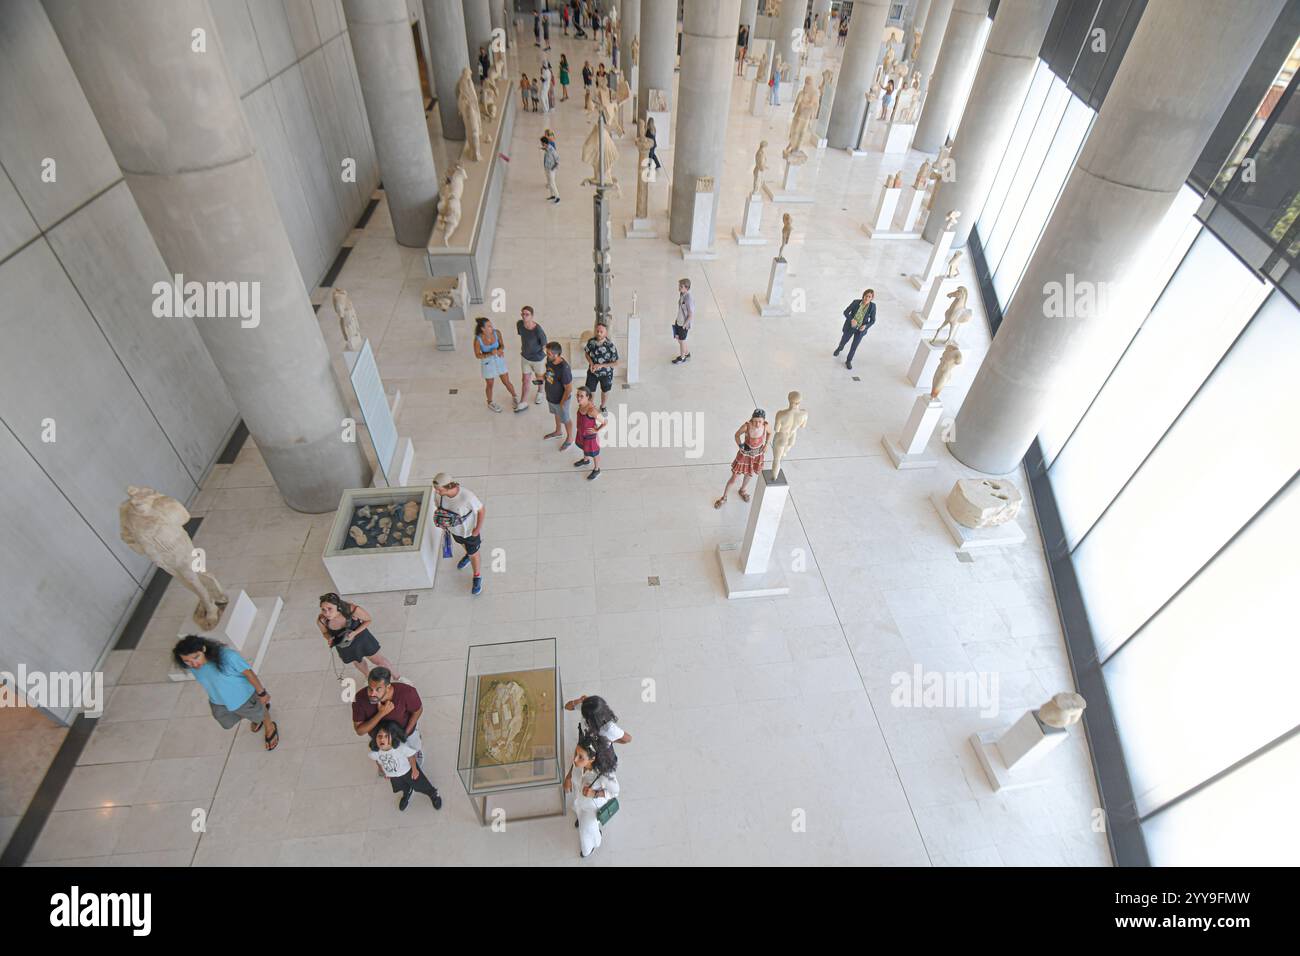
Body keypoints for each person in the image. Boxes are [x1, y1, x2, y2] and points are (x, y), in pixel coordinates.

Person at [173, 634, 278, 751]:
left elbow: (249, 673)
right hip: (219, 702)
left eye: (196, 657)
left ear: (203, 649)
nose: (194, 664)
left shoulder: (229, 657)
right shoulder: (192, 666)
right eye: (187, 661)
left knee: (260, 712)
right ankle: (255, 716)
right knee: (228, 721)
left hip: (244, 697)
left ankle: (269, 726)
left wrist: (262, 693)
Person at [317, 593, 401, 682]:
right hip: (345, 646)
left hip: (362, 639)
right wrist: (329, 638)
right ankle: (369, 678)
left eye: (330, 609)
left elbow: (368, 620)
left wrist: (355, 633)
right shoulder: (322, 620)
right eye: (323, 609)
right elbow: (325, 633)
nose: (326, 613)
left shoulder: (351, 609)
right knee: (358, 662)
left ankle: (398, 678)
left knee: (378, 660)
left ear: (337, 606)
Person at [352, 667, 425, 762]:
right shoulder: (359, 699)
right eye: (370, 688)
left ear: (388, 687)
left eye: (378, 689)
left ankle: (416, 752)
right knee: (387, 757)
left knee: (413, 746)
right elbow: (360, 731)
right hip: (380, 738)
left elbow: (418, 711)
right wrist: (381, 713)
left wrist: (405, 735)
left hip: (406, 731)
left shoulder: (407, 692)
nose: (372, 694)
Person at [567, 728, 619, 858]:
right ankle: (581, 819)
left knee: (585, 832)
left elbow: (615, 791)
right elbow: (574, 767)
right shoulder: (579, 764)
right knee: (580, 816)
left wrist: (595, 793)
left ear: (592, 758)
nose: (574, 760)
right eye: (576, 754)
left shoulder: (604, 773)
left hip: (591, 807)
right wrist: (568, 778)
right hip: (579, 801)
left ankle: (590, 847)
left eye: (580, 757)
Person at [369, 722, 442, 812]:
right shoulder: (376, 753)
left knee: (421, 784)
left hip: (408, 771)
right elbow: (378, 761)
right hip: (394, 776)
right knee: (401, 785)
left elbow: (411, 757)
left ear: (392, 737)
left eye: (386, 736)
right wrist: (383, 771)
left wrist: (414, 769)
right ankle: (407, 791)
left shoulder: (400, 748)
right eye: (379, 736)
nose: (382, 739)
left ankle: (432, 793)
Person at [432, 473, 486, 595]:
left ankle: (477, 576)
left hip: (469, 533)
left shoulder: (467, 497)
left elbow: (481, 510)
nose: (437, 492)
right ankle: (468, 554)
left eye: (439, 490)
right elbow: (439, 509)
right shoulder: (438, 496)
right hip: (454, 531)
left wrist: (477, 530)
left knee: (474, 554)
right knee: (464, 546)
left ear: (448, 487)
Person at [715, 409, 771, 508]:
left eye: (760, 421)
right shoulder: (747, 426)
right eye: (755, 421)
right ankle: (724, 497)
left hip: (757, 455)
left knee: (749, 474)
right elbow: (736, 435)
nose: (757, 424)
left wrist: (766, 444)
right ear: (752, 419)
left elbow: (770, 433)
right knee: (734, 477)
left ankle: (743, 490)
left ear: (763, 421)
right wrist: (741, 446)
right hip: (745, 455)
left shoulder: (765, 426)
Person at [473, 316, 525, 412]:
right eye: (488, 326)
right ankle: (490, 402)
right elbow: (477, 355)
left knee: (506, 381)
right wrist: (489, 354)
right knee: (490, 384)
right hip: (487, 363)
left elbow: (502, 345)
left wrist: (500, 350)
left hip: (499, 360)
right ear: (482, 329)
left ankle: (515, 396)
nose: (491, 327)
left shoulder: (497, 333)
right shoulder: (478, 339)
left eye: (491, 324)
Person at [542, 341, 575, 451]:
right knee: (556, 413)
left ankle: (570, 438)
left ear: (557, 355)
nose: (547, 355)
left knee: (565, 418)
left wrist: (562, 403)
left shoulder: (564, 369)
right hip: (551, 396)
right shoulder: (550, 360)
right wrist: (543, 377)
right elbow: (548, 372)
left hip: (562, 399)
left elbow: (569, 388)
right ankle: (558, 431)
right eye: (547, 353)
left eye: (549, 354)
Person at [563, 693, 632, 744]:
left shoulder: (610, 728)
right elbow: (567, 707)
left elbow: (628, 739)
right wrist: (578, 700)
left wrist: (610, 740)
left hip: (599, 752)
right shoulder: (587, 708)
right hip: (585, 739)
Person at [835, 288, 876, 370]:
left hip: (860, 330)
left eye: (869, 297)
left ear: (872, 298)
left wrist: (865, 326)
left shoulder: (873, 306)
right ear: (863, 296)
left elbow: (872, 320)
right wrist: (851, 320)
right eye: (866, 296)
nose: (867, 298)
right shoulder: (856, 302)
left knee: (854, 346)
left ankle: (848, 361)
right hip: (851, 326)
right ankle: (839, 348)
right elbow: (846, 312)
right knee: (844, 340)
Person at [582, 322, 619, 413]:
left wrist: (601, 365)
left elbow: (616, 363)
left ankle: (603, 407)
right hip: (592, 372)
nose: (598, 333)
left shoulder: (610, 346)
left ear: (605, 333)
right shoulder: (591, 342)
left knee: (605, 391)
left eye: (601, 331)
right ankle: (591, 406)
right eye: (597, 331)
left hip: (606, 374)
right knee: (590, 391)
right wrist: (591, 363)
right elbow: (586, 353)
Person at [516, 305, 549, 404]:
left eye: (527, 314)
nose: (524, 316)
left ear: (532, 316)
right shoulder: (519, 324)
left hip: (538, 359)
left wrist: (543, 358)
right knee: (525, 380)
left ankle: (540, 392)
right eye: (523, 314)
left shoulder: (538, 330)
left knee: (539, 377)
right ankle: (523, 401)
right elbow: (522, 335)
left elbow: (545, 346)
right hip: (525, 358)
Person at [572, 387, 605, 480]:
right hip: (582, 433)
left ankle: (597, 469)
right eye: (577, 395)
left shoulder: (591, 410)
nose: (578, 398)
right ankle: (586, 460)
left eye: (581, 396)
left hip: (590, 437)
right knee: (583, 447)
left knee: (594, 453)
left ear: (588, 397)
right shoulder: (581, 405)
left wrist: (596, 430)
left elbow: (605, 422)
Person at [671, 277, 694, 365]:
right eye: (679, 286)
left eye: (681, 286)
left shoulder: (689, 299)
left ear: (686, 288)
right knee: (680, 340)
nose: (679, 288)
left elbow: (691, 314)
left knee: (682, 341)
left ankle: (682, 357)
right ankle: (687, 353)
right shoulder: (682, 294)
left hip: (683, 324)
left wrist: (684, 325)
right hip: (679, 321)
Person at [540, 133, 560, 203]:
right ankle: (552, 195)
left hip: (551, 169)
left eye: (542, 143)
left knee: (552, 183)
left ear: (544, 143)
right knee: (549, 182)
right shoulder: (547, 148)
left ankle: (557, 197)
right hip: (547, 168)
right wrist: (544, 149)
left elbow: (557, 158)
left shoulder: (551, 149)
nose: (541, 144)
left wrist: (554, 167)